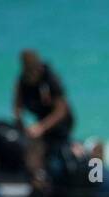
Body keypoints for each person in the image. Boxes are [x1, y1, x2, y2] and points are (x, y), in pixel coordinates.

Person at [12, 49, 74, 189]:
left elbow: (61, 110)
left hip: (60, 121)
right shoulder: (23, 80)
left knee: (41, 147)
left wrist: (41, 127)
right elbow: (17, 106)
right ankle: (37, 178)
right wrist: (19, 121)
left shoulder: (50, 80)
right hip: (41, 120)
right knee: (31, 145)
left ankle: (43, 180)